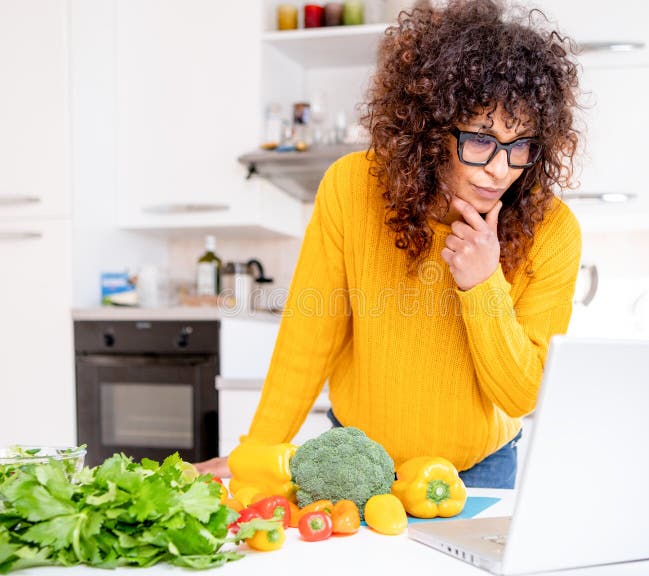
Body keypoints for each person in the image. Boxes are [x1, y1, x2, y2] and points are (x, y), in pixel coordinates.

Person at [197, 0, 581, 488]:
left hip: (479, 471)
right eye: (481, 139)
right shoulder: (352, 188)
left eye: (521, 144)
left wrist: (484, 284)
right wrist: (255, 452)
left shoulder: (553, 230)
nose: (501, 169)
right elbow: (309, 336)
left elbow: (521, 394)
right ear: (432, 127)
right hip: (357, 467)